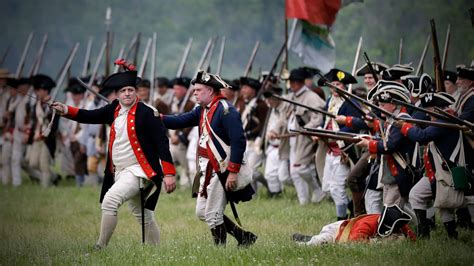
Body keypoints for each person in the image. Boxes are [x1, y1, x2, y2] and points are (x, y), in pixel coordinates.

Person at [51, 61, 176, 249]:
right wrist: (66, 110)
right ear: (117, 94)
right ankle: (156, 250)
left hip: (140, 171)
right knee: (141, 213)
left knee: (110, 201)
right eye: (123, 91)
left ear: (136, 92)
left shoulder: (148, 113)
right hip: (120, 171)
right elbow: (89, 115)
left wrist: (169, 173)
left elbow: (162, 143)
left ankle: (100, 247)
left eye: (130, 90)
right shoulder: (114, 109)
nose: (127, 93)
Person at [161, 70, 257, 247]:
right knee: (202, 212)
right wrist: (157, 118)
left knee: (212, 214)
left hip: (221, 168)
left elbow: (238, 141)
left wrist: (233, 172)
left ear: (210, 91)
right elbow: (180, 121)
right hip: (207, 169)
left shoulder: (226, 111)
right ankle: (244, 237)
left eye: (198, 90)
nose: (194, 93)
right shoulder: (203, 110)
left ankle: (219, 253)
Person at [357, 81, 419, 210]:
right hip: (391, 172)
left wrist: (370, 144)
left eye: (383, 104)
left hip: (400, 171)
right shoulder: (392, 120)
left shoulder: (401, 120)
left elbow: (391, 145)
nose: (380, 107)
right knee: (392, 208)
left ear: (394, 104)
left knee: (392, 209)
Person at [316, 68, 363, 220]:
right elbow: (326, 123)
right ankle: (351, 206)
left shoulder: (351, 103)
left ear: (344, 86)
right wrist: (320, 133)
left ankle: (340, 220)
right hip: (330, 149)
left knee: (336, 188)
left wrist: (334, 134)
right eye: (332, 84)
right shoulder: (329, 102)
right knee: (328, 188)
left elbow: (355, 126)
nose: (335, 88)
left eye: (338, 84)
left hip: (345, 151)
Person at [292, 204, 415, 246]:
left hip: (348, 230)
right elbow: (353, 242)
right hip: (337, 230)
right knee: (319, 242)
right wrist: (378, 243)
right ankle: (304, 242)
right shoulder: (368, 224)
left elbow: (412, 237)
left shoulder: (397, 223)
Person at [262, 86, 291, 197]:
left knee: (284, 177)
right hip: (272, 146)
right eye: (268, 99)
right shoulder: (273, 109)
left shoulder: (286, 107)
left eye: (271, 98)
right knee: (269, 174)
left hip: (283, 146)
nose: (269, 101)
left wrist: (274, 131)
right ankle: (276, 194)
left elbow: (283, 122)